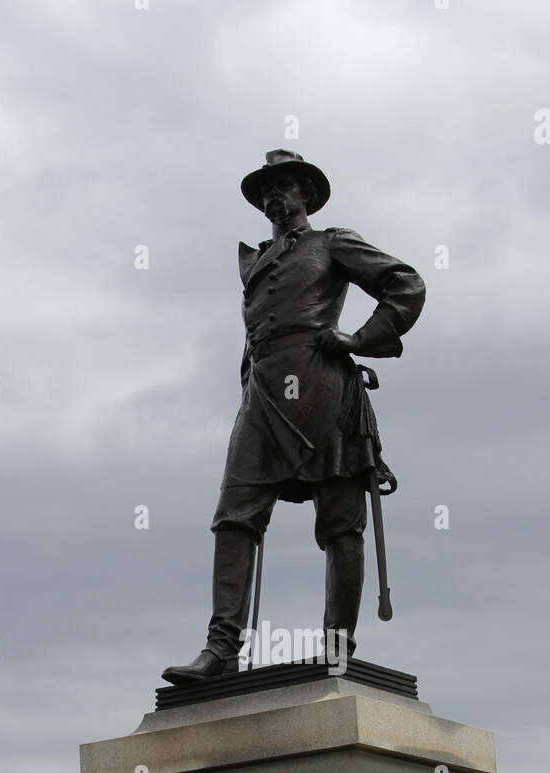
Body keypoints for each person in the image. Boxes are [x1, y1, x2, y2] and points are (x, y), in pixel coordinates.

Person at [162, 149, 426, 684]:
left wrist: (359, 339)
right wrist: (246, 389)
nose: (271, 199)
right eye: (264, 193)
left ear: (304, 193)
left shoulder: (333, 242)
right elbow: (254, 337)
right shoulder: (257, 261)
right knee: (234, 513)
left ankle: (337, 645)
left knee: (339, 522)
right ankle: (221, 648)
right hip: (262, 395)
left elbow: (406, 284)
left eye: (281, 187)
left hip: (323, 389)